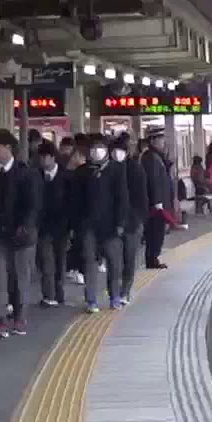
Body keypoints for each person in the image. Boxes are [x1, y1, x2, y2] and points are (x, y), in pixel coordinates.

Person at [0, 128, 40, 339]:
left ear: (9, 148)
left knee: (20, 279)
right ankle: (1, 320)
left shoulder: (25, 173)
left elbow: (33, 205)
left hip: (21, 237)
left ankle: (19, 318)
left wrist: (26, 225)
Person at [73, 133, 128, 312]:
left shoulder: (117, 170)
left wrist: (120, 223)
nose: (97, 151)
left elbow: (122, 199)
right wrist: (77, 225)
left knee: (114, 263)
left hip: (111, 226)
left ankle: (115, 297)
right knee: (89, 261)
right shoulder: (82, 172)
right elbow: (76, 200)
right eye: (93, 148)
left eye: (101, 147)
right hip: (88, 226)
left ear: (107, 150)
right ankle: (91, 300)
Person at [113, 132, 147, 303]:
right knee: (120, 258)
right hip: (118, 222)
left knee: (127, 258)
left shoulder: (134, 168)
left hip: (132, 222)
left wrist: (140, 219)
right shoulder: (110, 169)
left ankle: (124, 290)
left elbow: (142, 196)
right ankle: (120, 291)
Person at [36, 140, 70, 308]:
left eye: (44, 158)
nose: (41, 161)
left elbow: (72, 202)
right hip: (43, 228)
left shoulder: (66, 177)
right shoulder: (36, 176)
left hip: (62, 228)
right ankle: (48, 295)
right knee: (46, 261)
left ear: (52, 157)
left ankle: (59, 293)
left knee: (60, 261)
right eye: (39, 158)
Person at [141, 126, 173, 269]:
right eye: (160, 139)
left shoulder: (157, 156)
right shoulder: (151, 158)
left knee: (158, 232)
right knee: (155, 232)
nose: (163, 142)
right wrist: (157, 201)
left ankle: (153, 258)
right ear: (152, 141)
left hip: (159, 203)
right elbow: (153, 180)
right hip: (156, 205)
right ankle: (152, 259)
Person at [64, 133, 89, 287]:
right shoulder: (74, 162)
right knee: (77, 242)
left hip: (81, 209)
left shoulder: (81, 160)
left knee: (79, 242)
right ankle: (74, 268)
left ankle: (76, 268)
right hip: (76, 210)